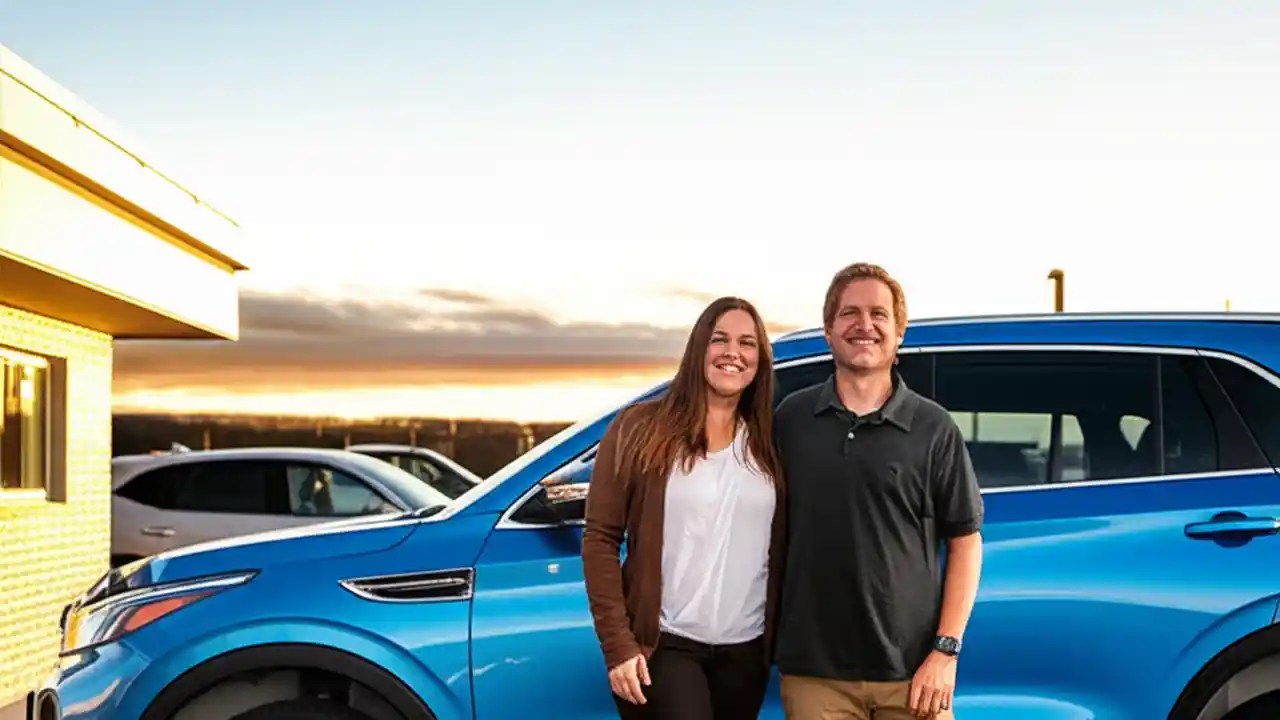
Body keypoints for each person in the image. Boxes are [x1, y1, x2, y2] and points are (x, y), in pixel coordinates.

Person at [773, 262, 984, 719]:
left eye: (878, 314)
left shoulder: (934, 428)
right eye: (849, 313)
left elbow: (966, 542)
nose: (863, 325)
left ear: (899, 331)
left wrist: (945, 652)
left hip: (914, 677)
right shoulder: (791, 419)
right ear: (828, 330)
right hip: (815, 677)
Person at [581, 296, 787, 719]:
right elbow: (600, 539)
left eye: (748, 343)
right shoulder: (639, 428)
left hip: (745, 653)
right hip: (665, 646)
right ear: (698, 348)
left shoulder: (770, 442)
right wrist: (618, 646)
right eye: (720, 339)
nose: (733, 353)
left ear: (760, 360)